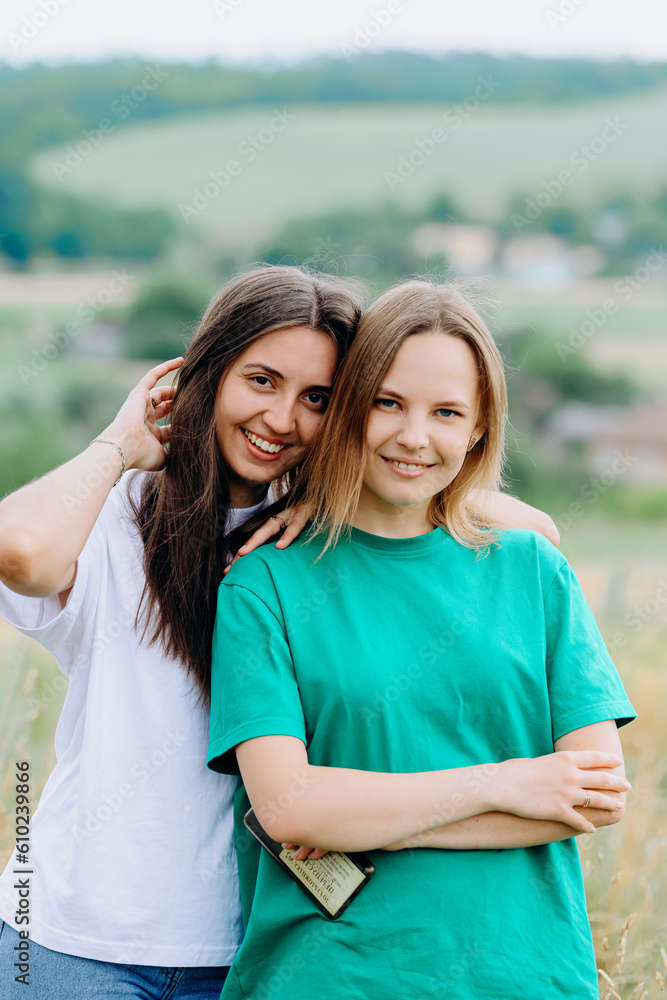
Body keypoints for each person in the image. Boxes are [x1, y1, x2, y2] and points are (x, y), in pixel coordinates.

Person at [0, 266, 555, 998]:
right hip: (75, 940)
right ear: (206, 375)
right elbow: (22, 552)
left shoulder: (322, 541)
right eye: (260, 381)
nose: (282, 419)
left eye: (317, 399)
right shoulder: (115, 517)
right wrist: (119, 442)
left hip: (254, 945)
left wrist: (333, 496)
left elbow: (535, 531)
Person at [207, 279, 636, 1000]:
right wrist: (504, 783)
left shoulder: (532, 571)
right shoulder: (263, 586)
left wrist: (366, 821)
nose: (414, 436)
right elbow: (287, 809)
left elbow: (591, 797)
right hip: (327, 977)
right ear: (351, 406)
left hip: (524, 977)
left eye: (445, 412)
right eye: (388, 403)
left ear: (478, 427)